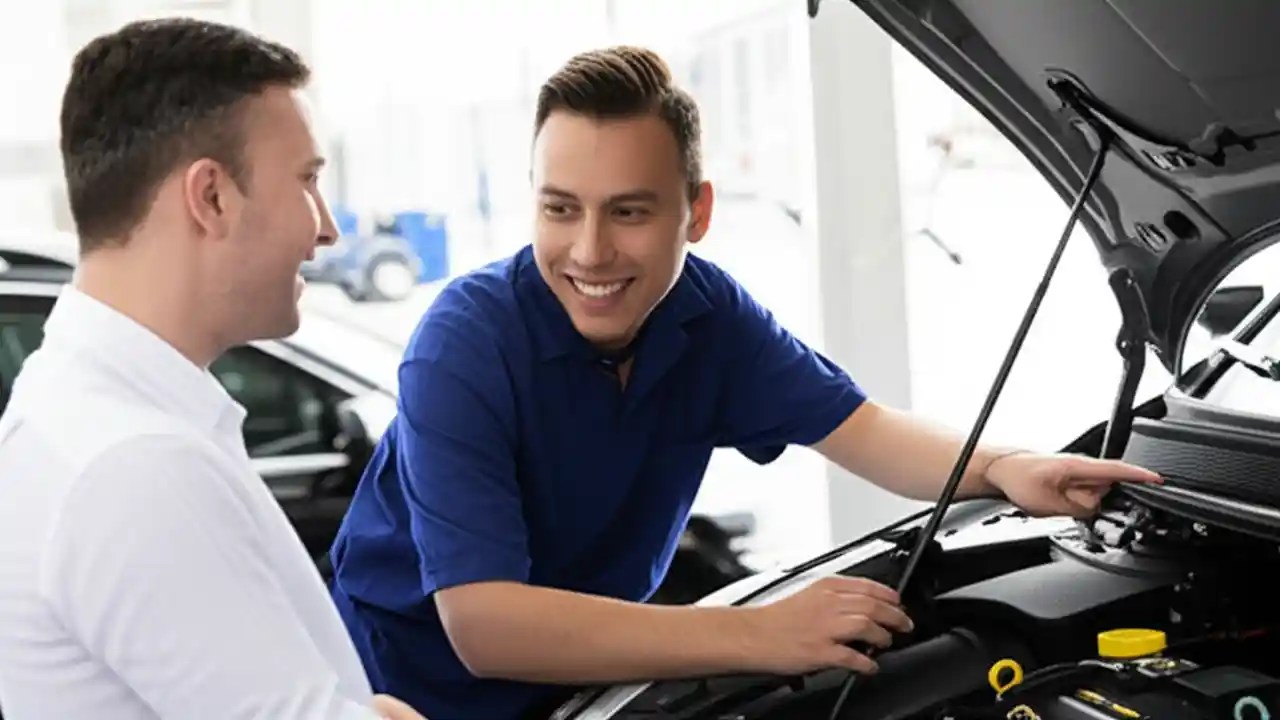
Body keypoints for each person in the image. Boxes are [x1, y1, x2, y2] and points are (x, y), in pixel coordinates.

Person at [327, 46, 1162, 719]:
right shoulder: (465, 342)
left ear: (697, 211)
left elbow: (862, 428)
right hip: (399, 695)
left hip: (584, 691)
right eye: (560, 208)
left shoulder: (706, 316)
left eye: (628, 211)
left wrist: (1006, 467)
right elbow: (485, 626)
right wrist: (759, 633)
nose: (589, 251)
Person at [0, 18, 423, 720]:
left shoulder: (79, 412)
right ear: (212, 197)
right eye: (307, 181)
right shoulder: (134, 465)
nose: (326, 227)